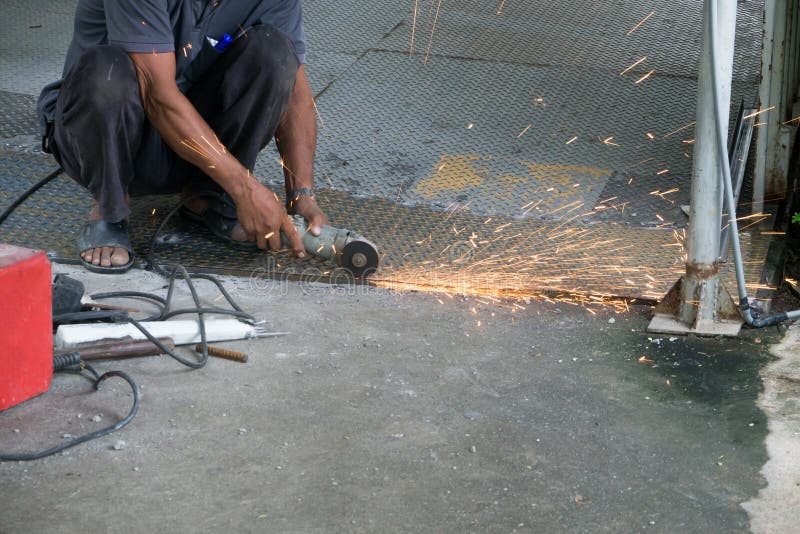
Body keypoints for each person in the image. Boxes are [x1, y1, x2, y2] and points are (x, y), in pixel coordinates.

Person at [37, 0, 328, 273]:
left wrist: (301, 195)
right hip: (109, 136)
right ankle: (109, 205)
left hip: (193, 149)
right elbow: (158, 96)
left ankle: (208, 195)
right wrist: (245, 188)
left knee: (274, 53)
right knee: (107, 71)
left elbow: (296, 96)